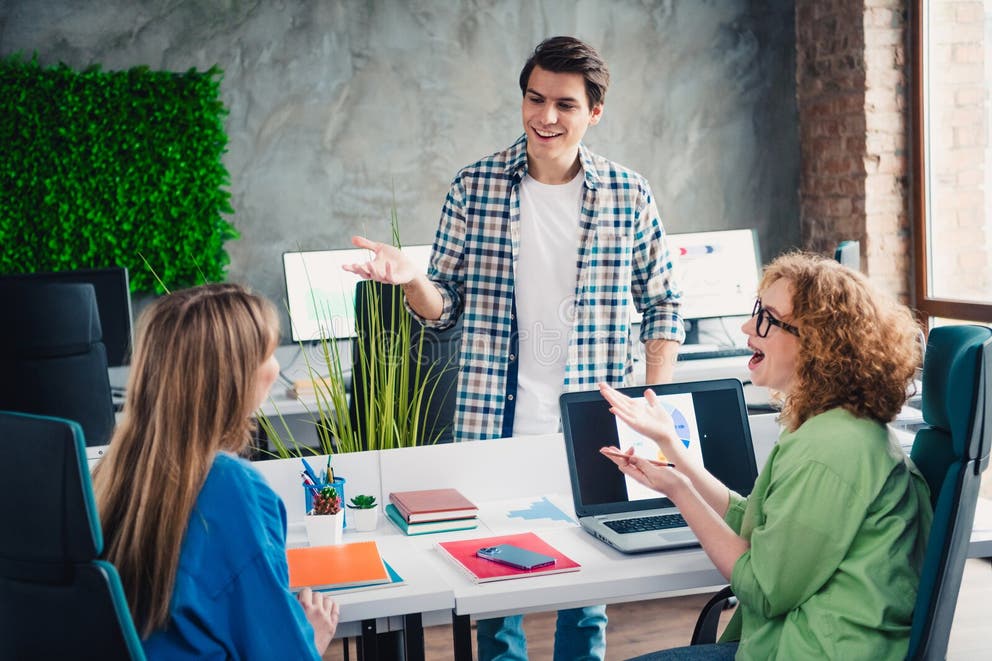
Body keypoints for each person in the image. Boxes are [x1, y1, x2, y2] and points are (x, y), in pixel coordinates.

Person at [345, 35, 684, 661]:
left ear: (595, 112)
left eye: (565, 104)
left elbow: (664, 305)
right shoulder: (475, 186)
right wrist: (413, 281)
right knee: (494, 594)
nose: (546, 117)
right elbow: (443, 310)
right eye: (535, 99)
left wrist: (651, 401)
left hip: (590, 425)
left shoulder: (629, 194)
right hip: (491, 424)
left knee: (587, 596)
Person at [600, 252, 933, 660]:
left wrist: (679, 491)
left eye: (767, 318)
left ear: (818, 343)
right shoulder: (831, 428)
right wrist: (673, 450)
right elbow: (752, 523)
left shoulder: (831, 449)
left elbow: (761, 587)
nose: (746, 327)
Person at [91, 283, 339, 659]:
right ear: (237, 377)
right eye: (269, 353)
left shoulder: (114, 472)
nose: (274, 369)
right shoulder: (231, 487)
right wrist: (312, 637)